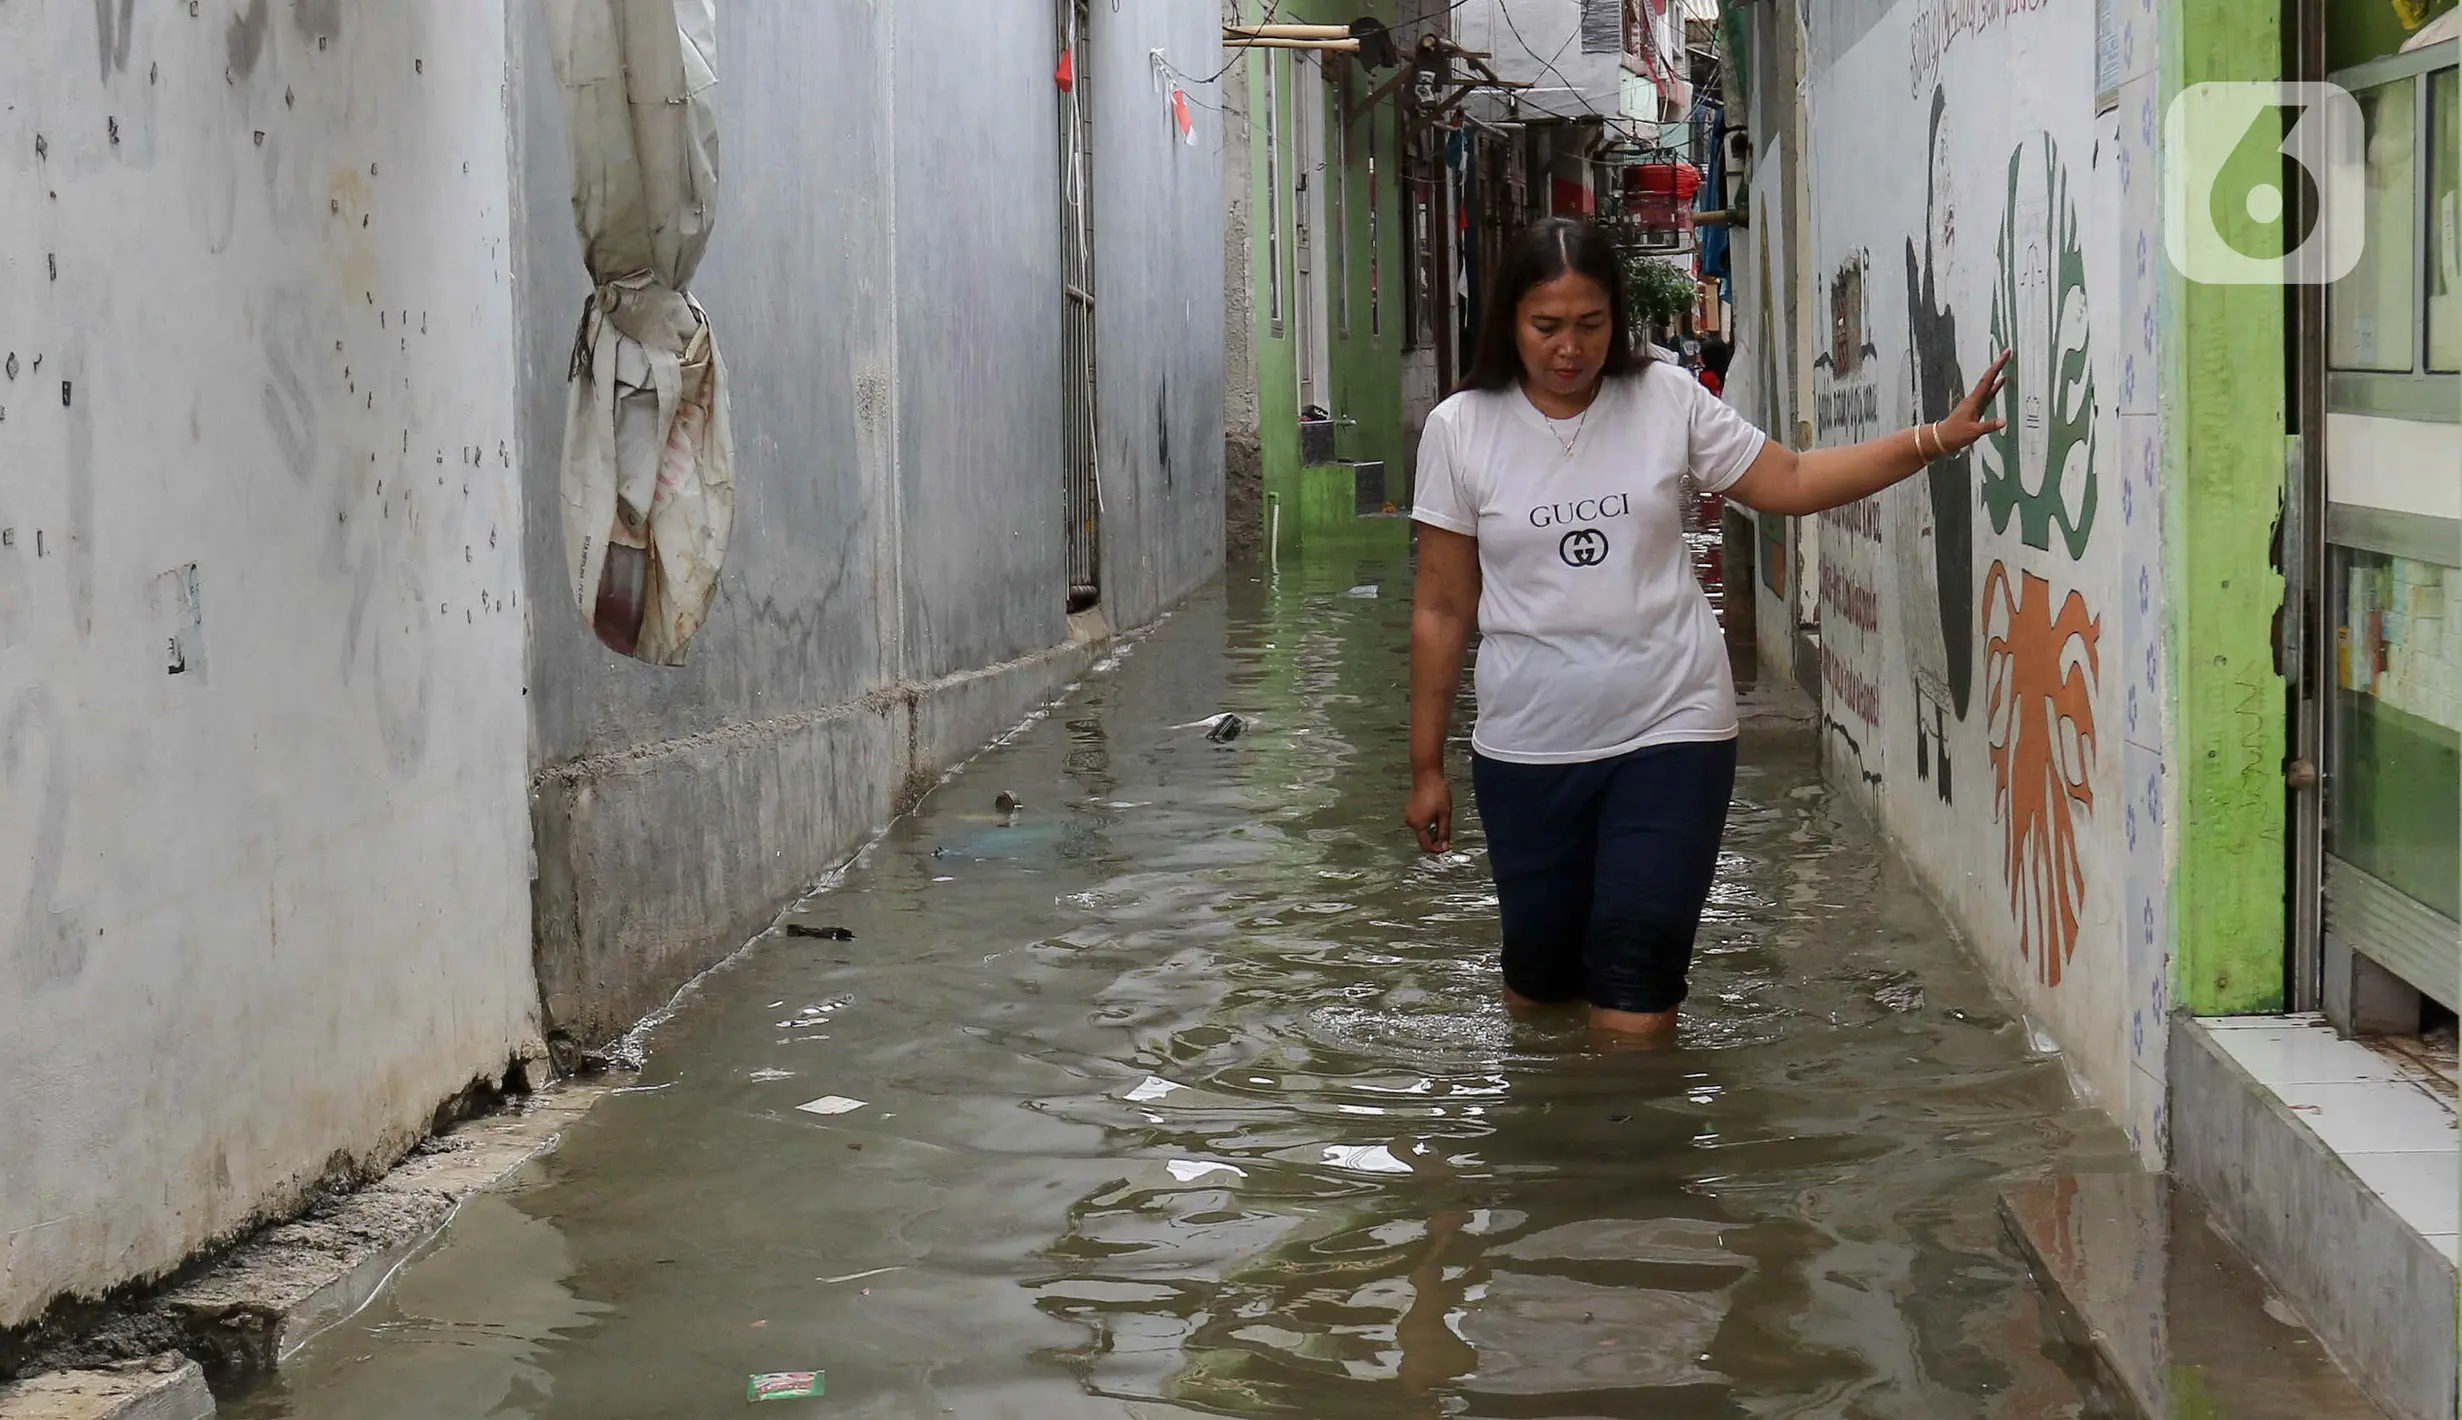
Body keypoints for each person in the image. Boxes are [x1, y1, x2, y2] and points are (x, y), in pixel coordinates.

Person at [1405, 218, 2006, 1042]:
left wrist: (1933, 439)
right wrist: (1425, 765)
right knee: (1540, 990)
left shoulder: (1665, 399)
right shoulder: (1460, 429)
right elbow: (1442, 607)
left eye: (1590, 325)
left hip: (1672, 726)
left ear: (1617, 319)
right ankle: (1554, 1153)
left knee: (1638, 984)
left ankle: (1639, 1156)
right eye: (1547, 327)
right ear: (1510, 320)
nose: (1569, 349)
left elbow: (1788, 479)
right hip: (1529, 746)